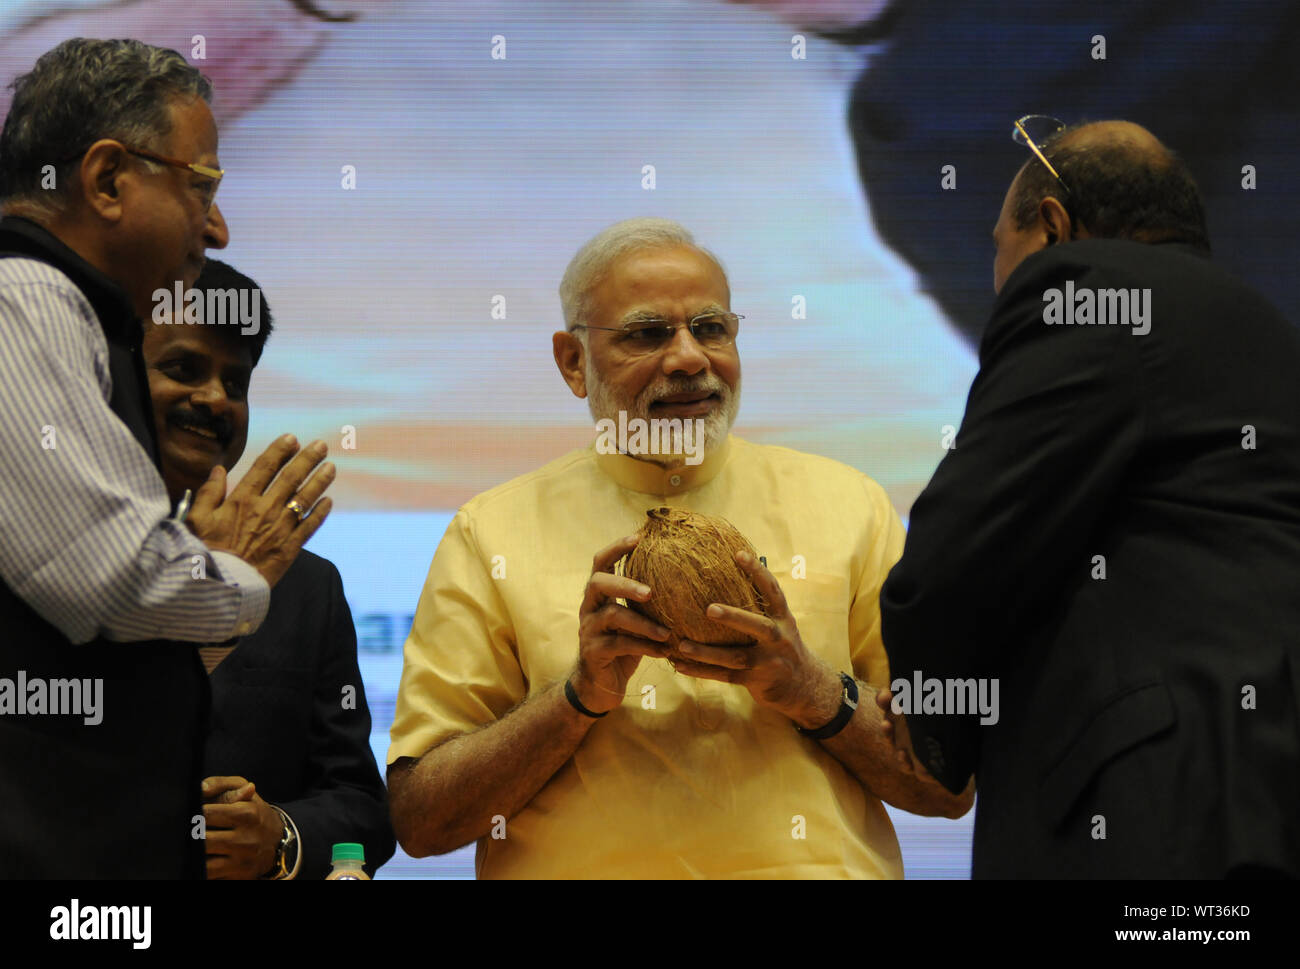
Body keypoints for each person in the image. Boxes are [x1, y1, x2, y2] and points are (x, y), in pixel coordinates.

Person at [387, 217, 971, 880]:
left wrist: (810, 689)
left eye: (713, 328)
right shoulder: (489, 531)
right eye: (647, 333)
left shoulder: (852, 506)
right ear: (572, 362)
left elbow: (948, 784)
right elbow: (421, 819)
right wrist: (576, 698)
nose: (691, 357)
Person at [879, 120, 1300, 877]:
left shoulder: (1086, 290)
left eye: (997, 251)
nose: (997, 283)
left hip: (1158, 802)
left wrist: (934, 727)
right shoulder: (1265, 331)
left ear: (1053, 226)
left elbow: (965, 542)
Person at [0, 38, 333, 878]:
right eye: (202, 187)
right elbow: (114, 578)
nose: (217, 225)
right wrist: (237, 576)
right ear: (109, 179)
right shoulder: (27, 298)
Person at [143, 258, 395, 880]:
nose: (215, 400)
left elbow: (363, 812)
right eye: (184, 370)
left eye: (237, 382)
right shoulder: (41, 551)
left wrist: (279, 837)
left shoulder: (306, 584)